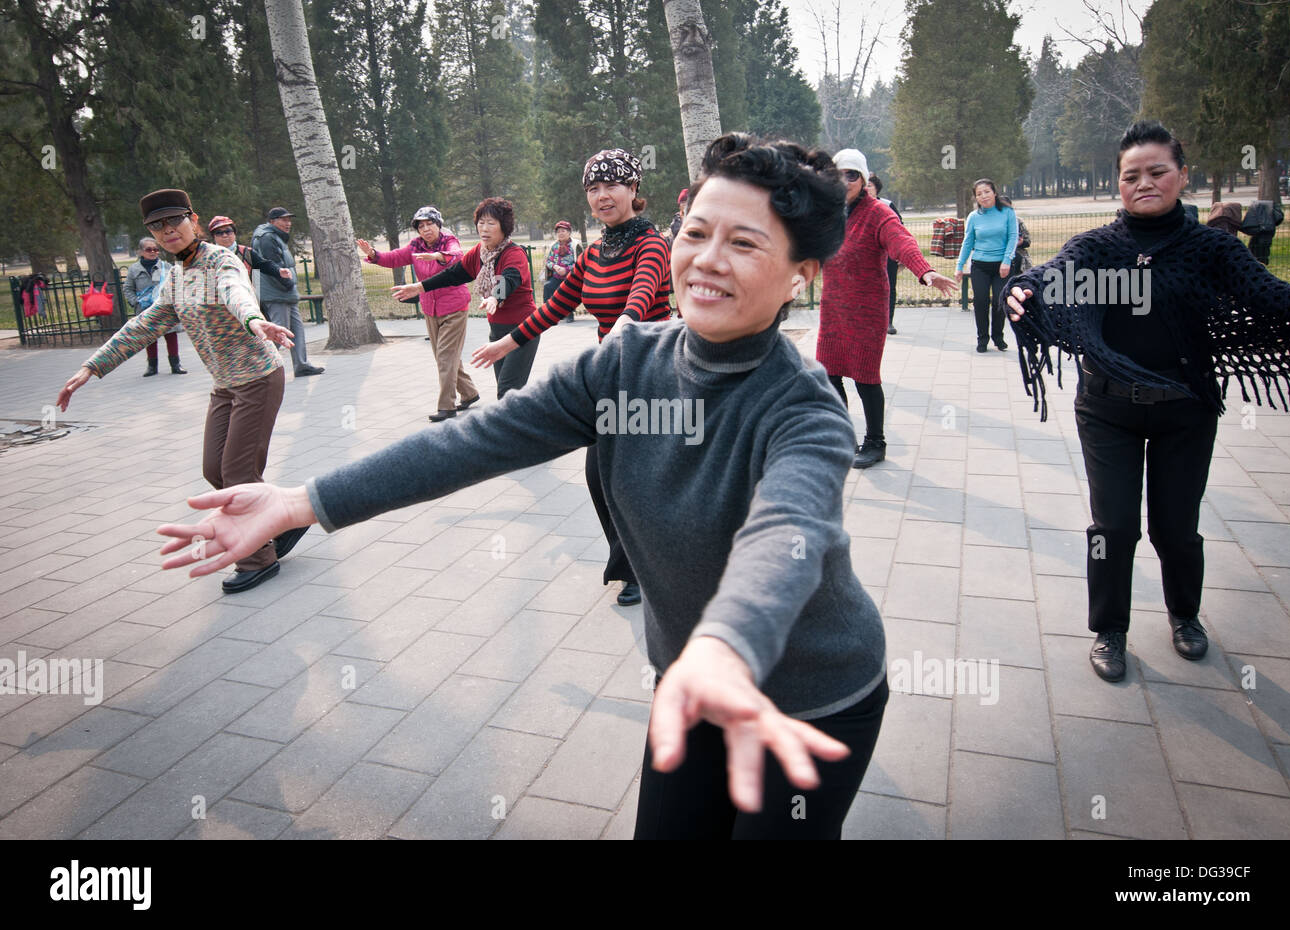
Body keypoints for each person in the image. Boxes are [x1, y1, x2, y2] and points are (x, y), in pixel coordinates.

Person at [155, 133, 889, 840]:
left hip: (812, 699)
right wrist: (301, 502)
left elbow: (788, 534)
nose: (706, 261)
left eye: (746, 243)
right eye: (697, 232)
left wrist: (726, 644)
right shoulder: (625, 365)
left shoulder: (805, 406)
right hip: (690, 680)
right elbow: (476, 438)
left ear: (803, 275)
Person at [1004, 120, 1290, 682]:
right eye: (1131, 175)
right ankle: (1109, 630)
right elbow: (1049, 275)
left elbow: (1272, 297)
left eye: (1157, 172)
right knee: (1110, 529)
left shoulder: (1210, 247)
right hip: (1107, 409)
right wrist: (1019, 290)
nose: (1144, 183)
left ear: (1182, 177)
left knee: (1176, 528)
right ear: (1119, 184)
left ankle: (1184, 616)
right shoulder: (1097, 247)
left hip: (1184, 412)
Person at [55, 188, 300, 594]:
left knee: (237, 473)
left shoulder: (221, 260)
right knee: (214, 470)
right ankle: (284, 517)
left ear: (194, 220)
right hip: (225, 386)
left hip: (257, 377)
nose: (168, 231)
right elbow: (145, 324)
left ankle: (258, 555)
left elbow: (234, 291)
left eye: (175, 221)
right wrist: (91, 366)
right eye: (157, 226)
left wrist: (256, 320)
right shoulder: (177, 277)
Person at [470, 148, 672, 607]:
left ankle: (657, 562)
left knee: (638, 479)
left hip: (653, 374)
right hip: (612, 373)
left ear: (633, 189)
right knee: (600, 476)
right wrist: (506, 343)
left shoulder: (653, 244)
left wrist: (621, 330)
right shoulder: (596, 250)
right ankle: (635, 565)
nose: (602, 196)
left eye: (612, 186)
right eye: (593, 188)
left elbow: (638, 301)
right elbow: (556, 305)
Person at [818, 148, 957, 469]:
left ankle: (875, 442)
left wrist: (925, 270)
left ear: (864, 179)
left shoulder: (878, 213)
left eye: (852, 175)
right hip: (833, 308)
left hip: (867, 310)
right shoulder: (829, 212)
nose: (846, 181)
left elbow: (901, 241)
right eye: (839, 174)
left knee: (865, 377)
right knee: (829, 374)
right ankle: (843, 435)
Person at [391, 197, 538, 404]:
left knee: (508, 391)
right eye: (481, 222)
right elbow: (453, 274)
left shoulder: (514, 253)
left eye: (491, 223)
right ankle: (523, 427)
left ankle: (515, 432)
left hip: (523, 330)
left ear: (503, 227)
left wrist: (495, 298)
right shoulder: (480, 252)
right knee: (507, 392)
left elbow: (510, 278)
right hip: (497, 329)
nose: (484, 228)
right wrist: (418, 287)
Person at [359, 207, 478, 421]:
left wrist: (437, 256)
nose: (425, 229)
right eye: (420, 226)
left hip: (454, 307)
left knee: (445, 357)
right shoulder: (416, 246)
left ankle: (446, 406)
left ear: (438, 224)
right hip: (430, 309)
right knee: (445, 357)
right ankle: (469, 393)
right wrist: (373, 254)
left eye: (429, 223)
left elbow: (457, 256)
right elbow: (394, 258)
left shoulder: (449, 241)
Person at [252, 207, 324, 377]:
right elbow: (273, 266)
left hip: (285, 292)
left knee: (296, 329)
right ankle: (261, 368)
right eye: (283, 220)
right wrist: (288, 283)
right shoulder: (267, 238)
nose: (288, 223)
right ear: (272, 221)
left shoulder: (275, 236)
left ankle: (301, 365)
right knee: (277, 332)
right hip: (277, 293)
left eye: (289, 220)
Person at [955, 178, 1018, 353]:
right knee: (980, 301)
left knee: (999, 301)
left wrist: (1007, 261)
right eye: (979, 194)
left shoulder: (1007, 212)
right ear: (976, 198)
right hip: (980, 266)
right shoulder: (974, 217)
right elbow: (968, 243)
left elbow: (1013, 237)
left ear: (994, 192)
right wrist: (959, 266)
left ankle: (998, 337)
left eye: (987, 192)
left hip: (1002, 267)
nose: (984, 196)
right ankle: (982, 338)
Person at [121, 237, 186, 376]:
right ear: (140, 251)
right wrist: (135, 302)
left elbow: (176, 285)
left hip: (164, 307)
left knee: (171, 335)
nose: (153, 252)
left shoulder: (166, 266)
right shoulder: (134, 269)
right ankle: (152, 366)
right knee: (149, 337)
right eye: (149, 249)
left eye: (155, 249)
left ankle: (176, 364)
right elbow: (127, 288)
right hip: (145, 309)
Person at [208, 216, 293, 291]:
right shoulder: (209, 256)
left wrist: (279, 270)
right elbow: (209, 288)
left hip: (245, 300)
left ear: (234, 233)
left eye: (228, 231)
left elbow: (264, 264)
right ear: (213, 236)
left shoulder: (247, 252)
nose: (225, 235)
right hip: (219, 303)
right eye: (219, 233)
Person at [867, 174, 902, 335]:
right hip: (866, 256)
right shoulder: (854, 206)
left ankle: (888, 321)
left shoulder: (887, 205)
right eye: (864, 185)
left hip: (887, 255)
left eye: (870, 186)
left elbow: (900, 232)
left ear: (877, 188)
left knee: (888, 287)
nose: (866, 188)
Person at [542, 220, 578, 321]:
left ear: (569, 232)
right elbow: (548, 261)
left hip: (571, 276)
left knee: (567, 289)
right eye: (558, 231)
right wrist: (555, 267)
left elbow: (580, 262)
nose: (560, 233)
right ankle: (547, 314)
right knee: (548, 286)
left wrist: (566, 269)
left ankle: (569, 314)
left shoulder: (575, 245)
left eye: (563, 231)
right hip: (556, 275)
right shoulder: (554, 246)